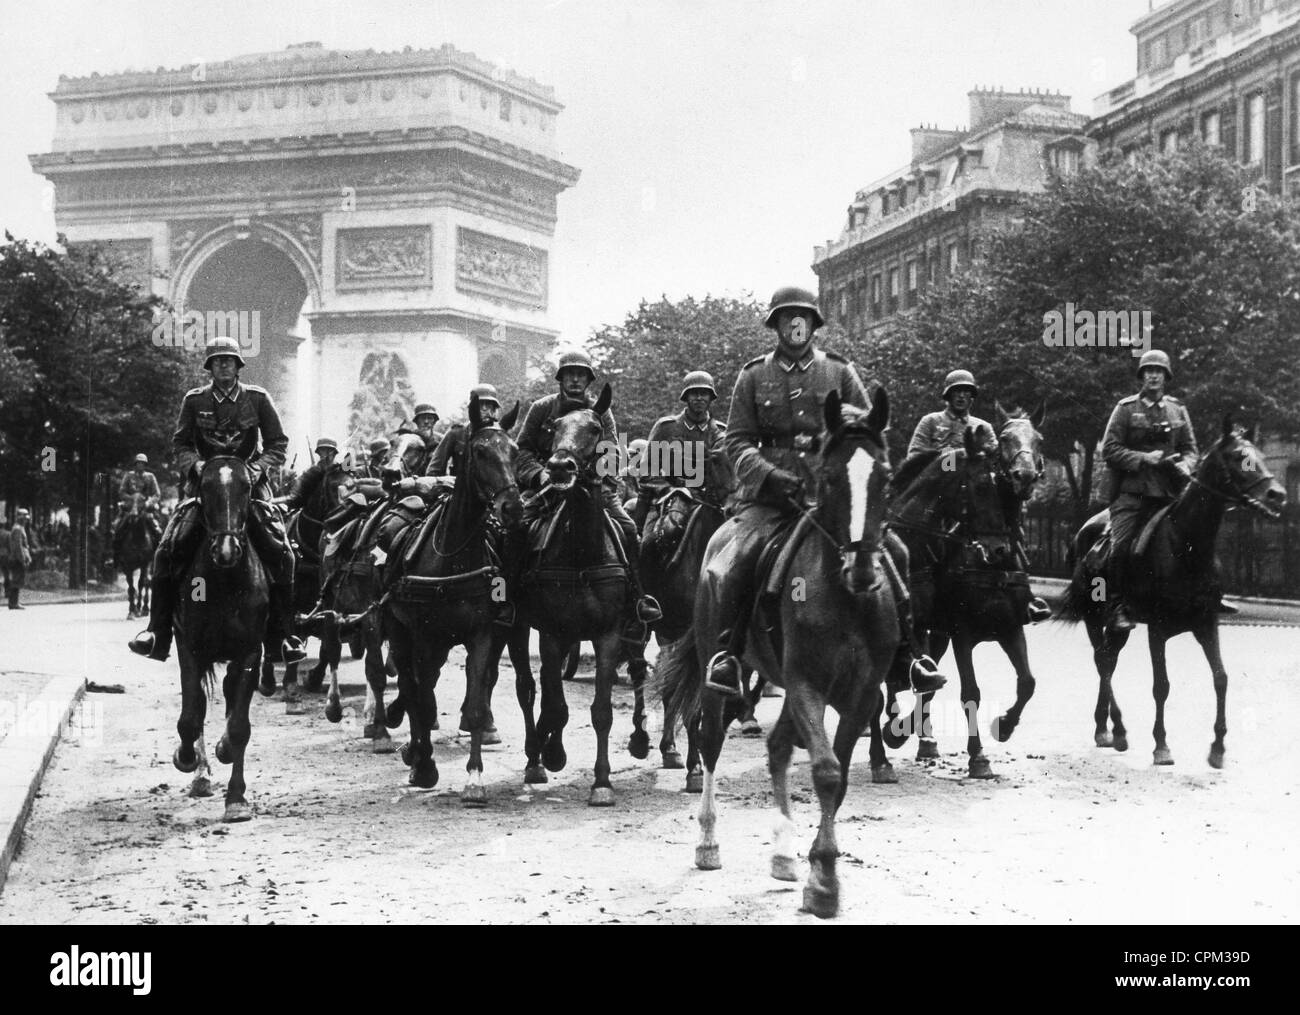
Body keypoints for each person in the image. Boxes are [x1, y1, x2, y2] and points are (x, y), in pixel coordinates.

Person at [703, 286, 947, 695]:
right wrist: (767, 474)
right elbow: (737, 441)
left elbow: (871, 428)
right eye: (787, 318)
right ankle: (729, 654)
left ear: (814, 325)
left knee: (898, 554)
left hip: (833, 496)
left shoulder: (839, 371)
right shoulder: (753, 375)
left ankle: (908, 654)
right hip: (772, 500)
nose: (796, 325)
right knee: (735, 561)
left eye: (803, 318)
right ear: (776, 325)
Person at [128, 336, 306, 663]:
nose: (223, 366)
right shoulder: (194, 400)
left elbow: (278, 443)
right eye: (217, 361)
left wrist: (255, 470)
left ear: (238, 366)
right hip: (205, 490)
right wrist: (195, 465)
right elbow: (180, 443)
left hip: (249, 490)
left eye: (229, 361)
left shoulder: (258, 398)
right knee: (167, 549)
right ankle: (157, 631)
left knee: (283, 552)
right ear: (209, 367)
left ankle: (284, 635)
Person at [515, 349, 661, 623]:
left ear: (588, 379)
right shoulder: (541, 408)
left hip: (592, 489)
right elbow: (521, 451)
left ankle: (638, 598)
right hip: (547, 489)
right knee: (516, 527)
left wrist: (593, 477)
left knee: (629, 529)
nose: (575, 380)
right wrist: (541, 476)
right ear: (560, 378)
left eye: (580, 375)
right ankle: (507, 599)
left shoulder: (601, 412)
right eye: (569, 374)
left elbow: (614, 452)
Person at [907, 370, 1050, 622]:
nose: (961, 396)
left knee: (1007, 527)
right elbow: (916, 459)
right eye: (956, 392)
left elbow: (995, 461)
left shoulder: (982, 427)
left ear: (972, 398)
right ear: (947, 396)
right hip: (938, 495)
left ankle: (1024, 594)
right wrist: (955, 460)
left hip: (970, 496)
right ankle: (912, 595)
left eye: (966, 393)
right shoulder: (930, 422)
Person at [1101, 348, 1214, 631]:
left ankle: (1208, 595)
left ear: (1166, 376)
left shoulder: (1178, 410)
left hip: (1171, 493)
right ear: (1142, 376)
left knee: (1199, 539)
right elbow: (1110, 449)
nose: (1154, 375)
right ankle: (1116, 605)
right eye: (1148, 371)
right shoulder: (1125, 408)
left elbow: (1191, 449)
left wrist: (1187, 466)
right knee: (1121, 546)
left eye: (1159, 371)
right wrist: (1142, 458)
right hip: (1134, 493)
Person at [638, 370, 730, 532]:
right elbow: (647, 470)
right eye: (694, 394)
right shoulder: (666, 427)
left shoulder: (721, 432)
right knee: (650, 543)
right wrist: (668, 489)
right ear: (686, 397)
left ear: (711, 398)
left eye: (704, 394)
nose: (699, 398)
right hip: (668, 497)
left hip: (709, 500)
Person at [427, 386, 500, 478]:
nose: (484, 409)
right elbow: (434, 470)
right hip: (459, 488)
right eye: (480, 404)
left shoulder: (500, 436)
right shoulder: (456, 434)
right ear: (472, 409)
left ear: (494, 409)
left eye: (489, 405)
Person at [282, 437, 346, 514]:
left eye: (330, 451)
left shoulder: (340, 472)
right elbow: (295, 497)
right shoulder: (310, 473)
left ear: (334, 454)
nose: (327, 455)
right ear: (319, 453)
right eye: (323, 451)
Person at [113, 453, 163, 549]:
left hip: (146, 508)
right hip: (130, 508)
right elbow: (122, 492)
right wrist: (131, 498)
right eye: (138, 463)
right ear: (135, 464)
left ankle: (158, 554)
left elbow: (157, 494)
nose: (140, 465)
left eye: (143, 463)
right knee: (118, 529)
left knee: (157, 530)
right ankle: (115, 556)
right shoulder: (128, 476)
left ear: (145, 465)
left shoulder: (150, 477)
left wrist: (149, 502)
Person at [6, 509, 32, 610]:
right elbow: (18, 546)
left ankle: (14, 602)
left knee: (18, 579)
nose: (26, 520)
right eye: (24, 518)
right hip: (17, 558)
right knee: (17, 579)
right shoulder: (17, 529)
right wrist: (22, 559)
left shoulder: (19, 528)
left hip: (17, 558)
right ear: (20, 518)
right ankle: (13, 603)